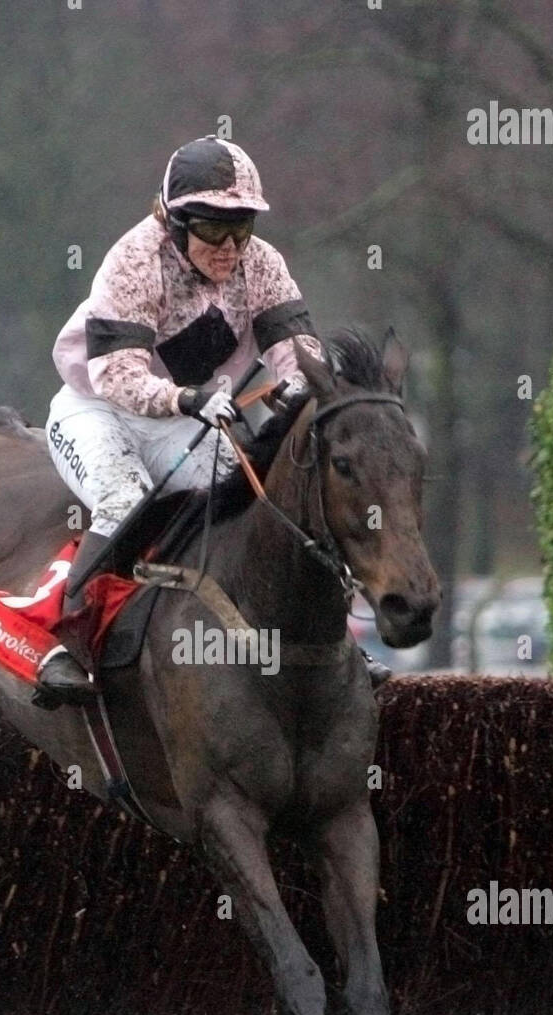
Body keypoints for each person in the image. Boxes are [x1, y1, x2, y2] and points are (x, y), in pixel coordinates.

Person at [41, 135, 386, 704]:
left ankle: (331, 644)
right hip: (97, 408)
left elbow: (300, 353)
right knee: (125, 498)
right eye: (211, 230)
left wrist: (296, 394)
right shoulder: (135, 260)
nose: (229, 247)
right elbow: (118, 374)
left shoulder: (262, 263)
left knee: (251, 499)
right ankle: (69, 637)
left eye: (241, 227)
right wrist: (188, 401)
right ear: (174, 222)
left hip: (187, 413)